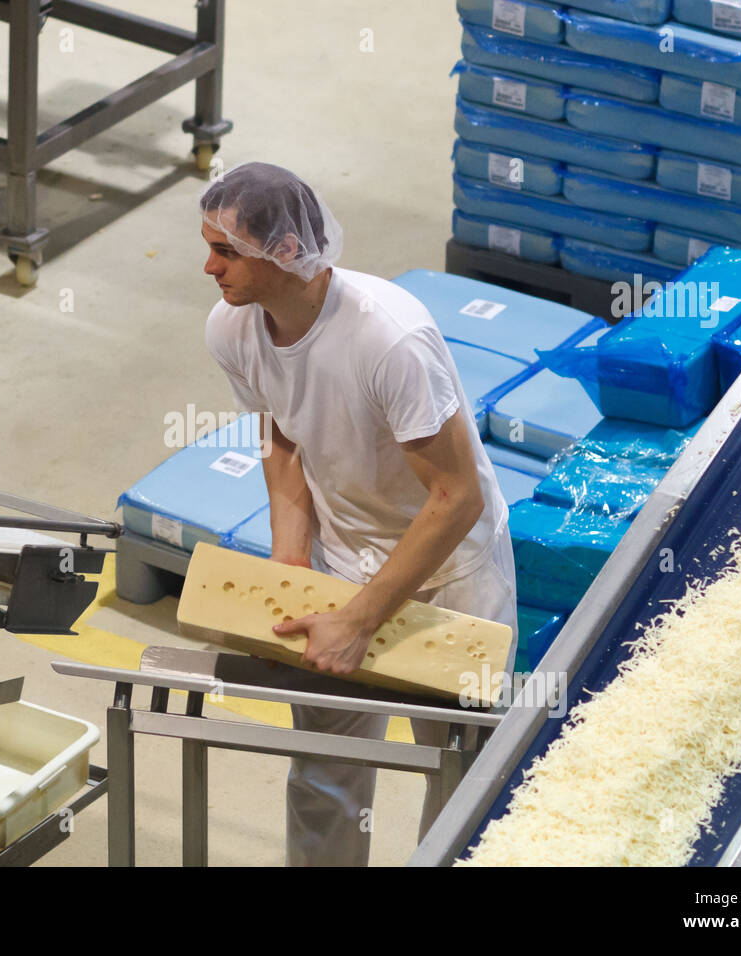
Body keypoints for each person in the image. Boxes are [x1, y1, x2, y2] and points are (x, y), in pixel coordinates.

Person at [200, 161, 518, 866]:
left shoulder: (389, 339)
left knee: (464, 778)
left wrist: (361, 620)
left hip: (447, 575)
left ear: (283, 253)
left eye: (225, 252)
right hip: (341, 562)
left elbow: (455, 497)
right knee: (324, 766)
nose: (208, 267)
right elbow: (282, 434)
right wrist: (290, 565)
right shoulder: (233, 329)